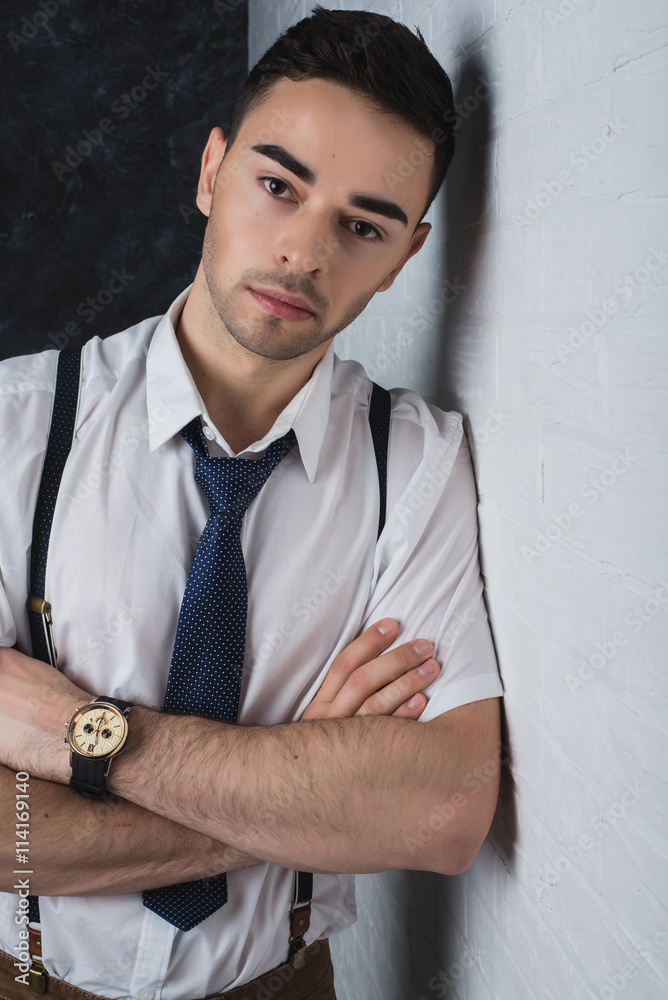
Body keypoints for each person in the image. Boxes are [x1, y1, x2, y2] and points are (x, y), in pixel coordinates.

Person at [0, 6, 503, 999]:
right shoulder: (16, 423)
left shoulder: (415, 460)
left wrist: (90, 736)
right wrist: (307, 787)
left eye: (362, 225)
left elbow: (442, 812)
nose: (304, 254)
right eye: (278, 186)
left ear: (405, 257)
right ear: (210, 171)